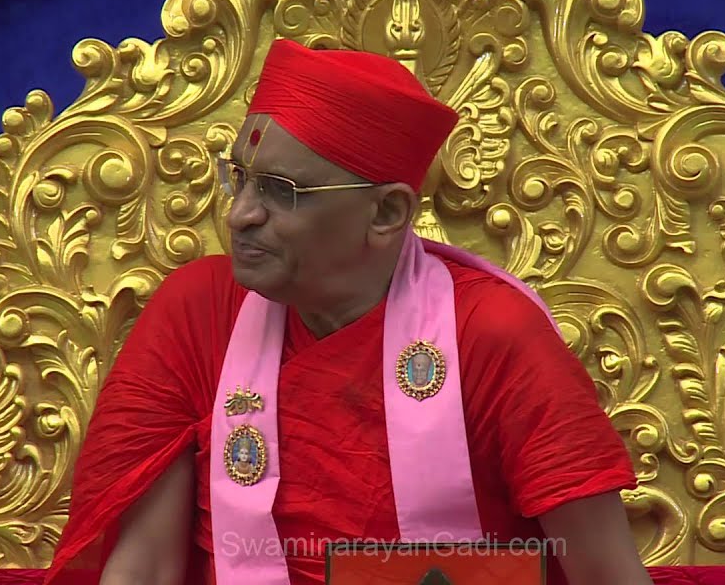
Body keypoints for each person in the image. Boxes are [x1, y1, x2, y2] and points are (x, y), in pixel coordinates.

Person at [43, 39, 652, 585]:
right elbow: (145, 568)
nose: (240, 215)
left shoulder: (491, 333)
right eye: (240, 179)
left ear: (387, 213)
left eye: (280, 191)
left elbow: (606, 575)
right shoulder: (197, 310)